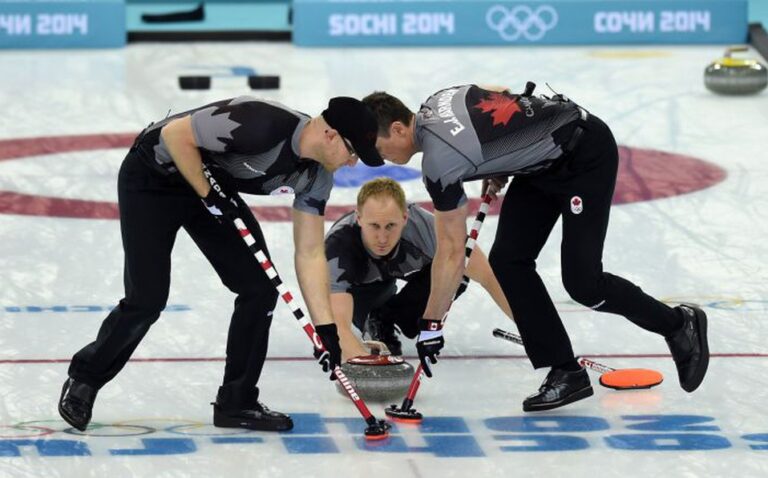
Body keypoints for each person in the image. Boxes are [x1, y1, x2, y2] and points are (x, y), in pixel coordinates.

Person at [361, 84, 709, 411]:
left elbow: (452, 252)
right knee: (508, 262)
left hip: (584, 155)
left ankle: (678, 323)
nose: (382, 159)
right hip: (540, 165)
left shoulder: (438, 164)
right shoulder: (439, 100)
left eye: (378, 149)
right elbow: (498, 93)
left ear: (397, 129)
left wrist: (431, 323)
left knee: (584, 283)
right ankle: (565, 371)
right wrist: (500, 157)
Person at [58, 95, 384, 432]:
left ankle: (236, 401)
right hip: (154, 177)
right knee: (147, 298)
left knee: (259, 289)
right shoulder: (261, 123)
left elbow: (310, 252)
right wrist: (207, 194)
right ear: (331, 135)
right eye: (353, 152)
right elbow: (175, 135)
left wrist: (326, 328)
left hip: (211, 194)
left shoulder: (316, 178)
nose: (352, 164)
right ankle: (85, 378)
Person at [325, 177, 513, 361]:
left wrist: (531, 328)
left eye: (391, 226)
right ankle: (373, 318)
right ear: (358, 218)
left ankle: (390, 317)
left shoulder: (425, 229)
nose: (382, 239)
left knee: (456, 272)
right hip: (361, 290)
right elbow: (339, 327)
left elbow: (489, 276)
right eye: (374, 226)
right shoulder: (339, 248)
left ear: (405, 218)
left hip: (403, 274)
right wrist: (367, 367)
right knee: (361, 332)